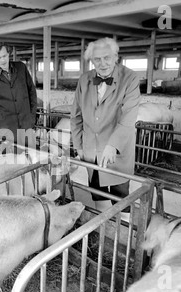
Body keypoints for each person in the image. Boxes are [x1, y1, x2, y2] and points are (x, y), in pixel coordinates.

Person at [70, 37, 140, 215]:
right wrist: (78, 146)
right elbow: (76, 117)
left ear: (116, 56)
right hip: (91, 151)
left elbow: (128, 118)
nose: (102, 63)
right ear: (91, 61)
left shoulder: (130, 79)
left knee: (121, 197)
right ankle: (104, 231)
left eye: (107, 57)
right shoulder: (84, 80)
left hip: (116, 153)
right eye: (97, 59)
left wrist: (113, 145)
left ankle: (122, 230)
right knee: (98, 195)